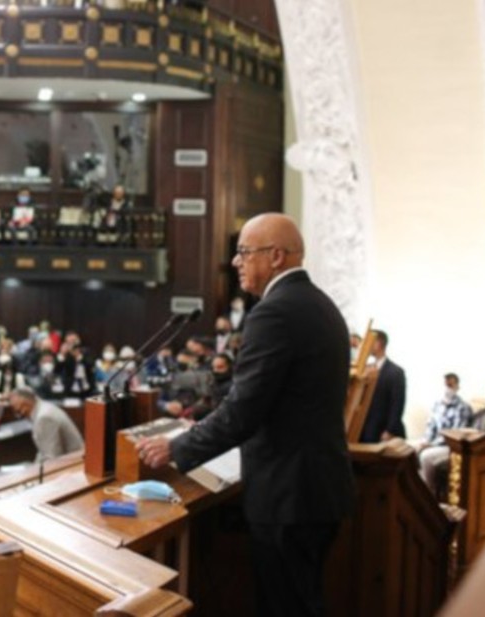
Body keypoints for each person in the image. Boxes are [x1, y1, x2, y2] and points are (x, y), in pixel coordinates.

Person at [136, 213, 355, 617]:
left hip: (289, 497)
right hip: (317, 488)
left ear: (275, 256)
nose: (235, 262)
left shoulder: (274, 313)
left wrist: (176, 447)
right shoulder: (321, 305)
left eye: (243, 252)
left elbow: (244, 412)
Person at [415, 373, 473, 498]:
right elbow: (431, 426)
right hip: (433, 443)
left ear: (457, 386)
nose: (447, 388)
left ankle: (430, 497)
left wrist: (431, 444)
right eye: (446, 384)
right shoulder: (437, 405)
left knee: (426, 457)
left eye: (451, 385)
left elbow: (456, 434)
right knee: (411, 450)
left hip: (449, 446)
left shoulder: (463, 407)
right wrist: (425, 441)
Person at [9, 388, 83, 462]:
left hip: (73, 465)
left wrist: (31, 472)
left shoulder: (44, 418)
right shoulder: (43, 407)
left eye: (18, 411)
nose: (20, 415)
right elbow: (43, 451)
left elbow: (51, 459)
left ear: (26, 404)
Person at [360, 330, 407, 443]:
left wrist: (389, 430)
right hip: (362, 429)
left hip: (382, 432)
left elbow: (397, 403)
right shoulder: (365, 369)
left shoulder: (396, 372)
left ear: (379, 343)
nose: (366, 345)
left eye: (370, 342)